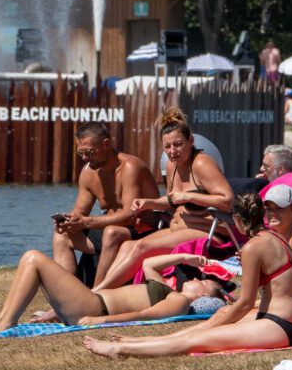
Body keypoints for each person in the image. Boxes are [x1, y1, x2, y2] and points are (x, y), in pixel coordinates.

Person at [85, 188, 292, 356]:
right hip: (282, 322)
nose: (272, 214)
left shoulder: (260, 245)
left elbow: (245, 303)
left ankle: (122, 350)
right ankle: (140, 341)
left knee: (198, 340)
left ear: (237, 220)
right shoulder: (274, 240)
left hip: (280, 326)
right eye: (268, 209)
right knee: (209, 328)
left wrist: (212, 326)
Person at [91, 112, 239, 290]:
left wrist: (190, 196)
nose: (172, 151)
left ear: (190, 141)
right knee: (129, 245)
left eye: (178, 145)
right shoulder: (171, 165)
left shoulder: (201, 164)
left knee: (141, 246)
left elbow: (228, 200)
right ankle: (103, 290)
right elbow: (172, 200)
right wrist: (149, 203)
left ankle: (98, 294)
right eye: (167, 146)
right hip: (177, 228)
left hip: (204, 232)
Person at [0, 247, 233, 337]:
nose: (198, 278)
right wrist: (185, 257)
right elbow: (148, 264)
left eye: (204, 282)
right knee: (30, 260)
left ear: (203, 297)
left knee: (33, 259)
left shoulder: (178, 303)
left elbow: (144, 315)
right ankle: (0, 321)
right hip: (91, 303)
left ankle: (7, 322)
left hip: (95, 307)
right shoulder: (168, 290)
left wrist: (101, 320)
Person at [51, 124, 161, 284]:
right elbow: (80, 213)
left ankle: (97, 298)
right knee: (62, 236)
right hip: (110, 231)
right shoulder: (88, 173)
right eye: (80, 153)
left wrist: (87, 222)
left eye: (89, 152)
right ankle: (67, 297)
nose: (84, 158)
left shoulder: (130, 167)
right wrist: (68, 222)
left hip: (143, 230)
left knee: (111, 232)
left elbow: (130, 216)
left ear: (106, 144)